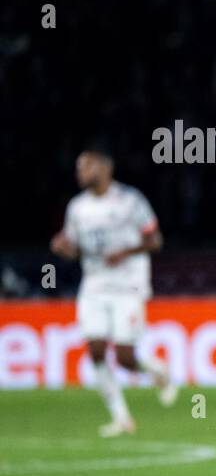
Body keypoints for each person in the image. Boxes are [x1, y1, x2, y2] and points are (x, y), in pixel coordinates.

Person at [50, 150, 178, 436]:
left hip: (129, 284)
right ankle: (121, 417)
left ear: (105, 168)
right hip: (94, 284)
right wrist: (62, 248)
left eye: (86, 166)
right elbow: (74, 247)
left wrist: (127, 252)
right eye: (78, 167)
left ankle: (158, 372)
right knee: (95, 349)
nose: (80, 172)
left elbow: (155, 240)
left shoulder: (130, 201)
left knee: (123, 356)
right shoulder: (77, 207)